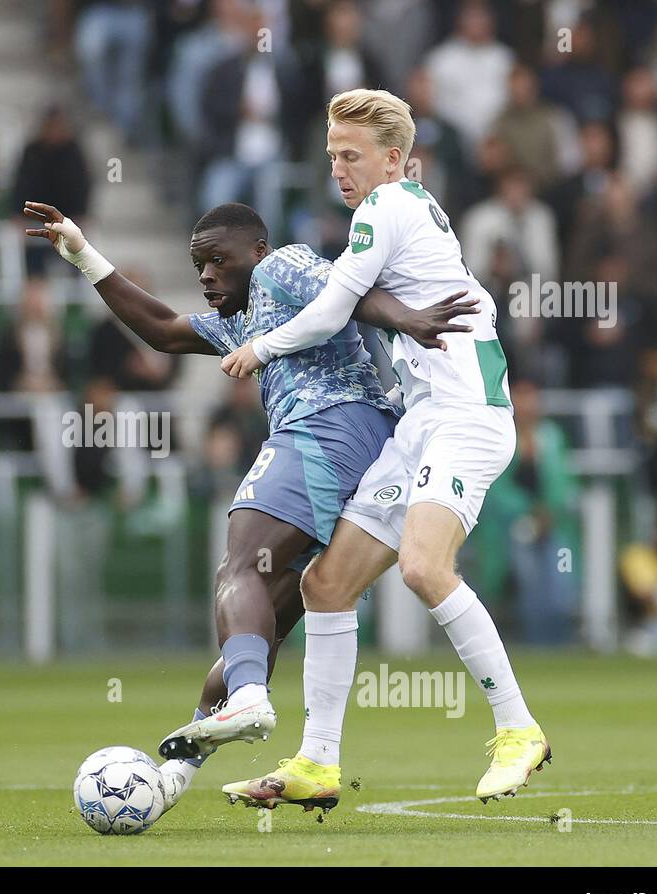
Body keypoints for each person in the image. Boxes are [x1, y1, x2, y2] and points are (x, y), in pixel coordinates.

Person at [25, 198, 476, 812]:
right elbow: (159, 329)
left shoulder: (280, 268)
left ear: (255, 251)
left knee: (238, 567)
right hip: (359, 450)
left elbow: (351, 294)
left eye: (218, 260)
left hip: (329, 426)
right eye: (197, 264)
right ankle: (171, 779)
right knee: (255, 632)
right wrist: (80, 251)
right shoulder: (241, 321)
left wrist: (408, 319)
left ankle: (250, 703)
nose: (206, 274)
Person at [212, 88, 548, 808]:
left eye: (352, 155)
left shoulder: (387, 206)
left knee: (426, 568)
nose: (339, 168)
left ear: (394, 159)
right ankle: (317, 763)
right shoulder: (404, 209)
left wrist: (259, 349)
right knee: (324, 585)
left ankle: (519, 728)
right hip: (420, 420)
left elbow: (334, 308)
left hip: (464, 417)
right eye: (332, 154)